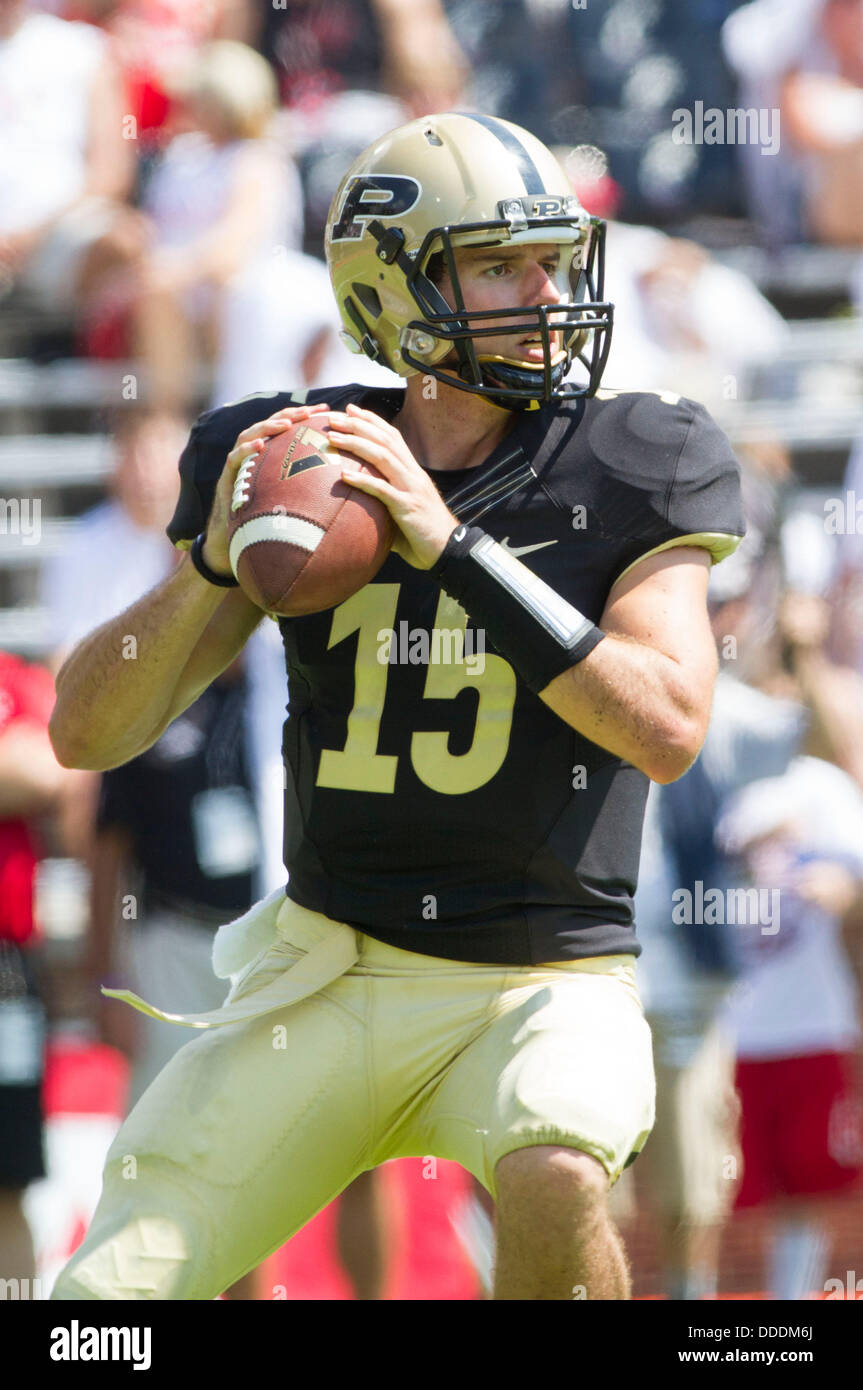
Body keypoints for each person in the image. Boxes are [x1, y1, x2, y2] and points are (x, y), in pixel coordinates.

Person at [48, 111, 745, 1301]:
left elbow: (668, 725)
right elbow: (85, 731)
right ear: (397, 286)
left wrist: (455, 545)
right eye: (499, 263)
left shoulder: (636, 453)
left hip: (544, 975)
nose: (546, 289)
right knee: (102, 1303)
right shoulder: (295, 460)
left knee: (558, 1171)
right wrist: (209, 569)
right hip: (327, 966)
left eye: (553, 256)